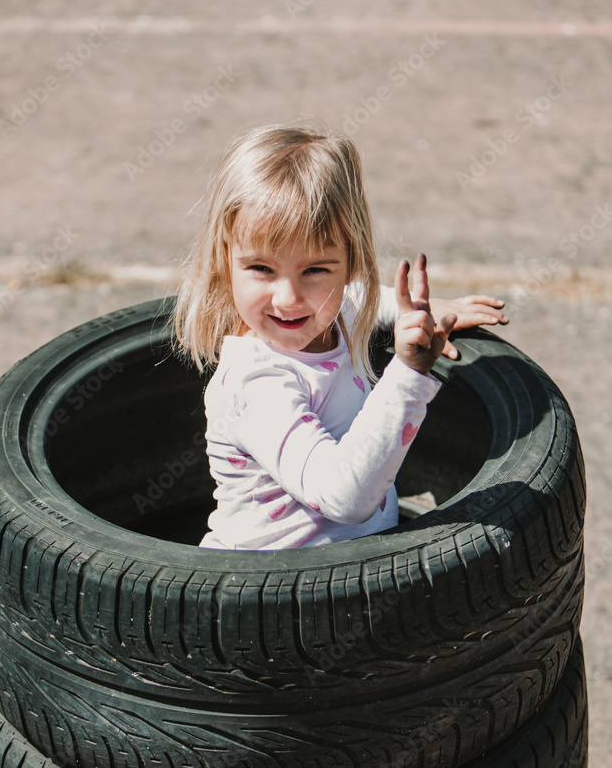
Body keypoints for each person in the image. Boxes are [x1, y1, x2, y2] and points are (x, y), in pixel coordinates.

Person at [173, 123, 507, 550]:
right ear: (225, 259)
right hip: (263, 596)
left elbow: (360, 299)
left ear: (352, 260)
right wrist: (407, 375)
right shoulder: (256, 384)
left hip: (345, 581)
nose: (289, 298)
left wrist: (433, 309)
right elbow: (344, 499)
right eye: (261, 269)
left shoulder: (336, 310)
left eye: (314, 270)